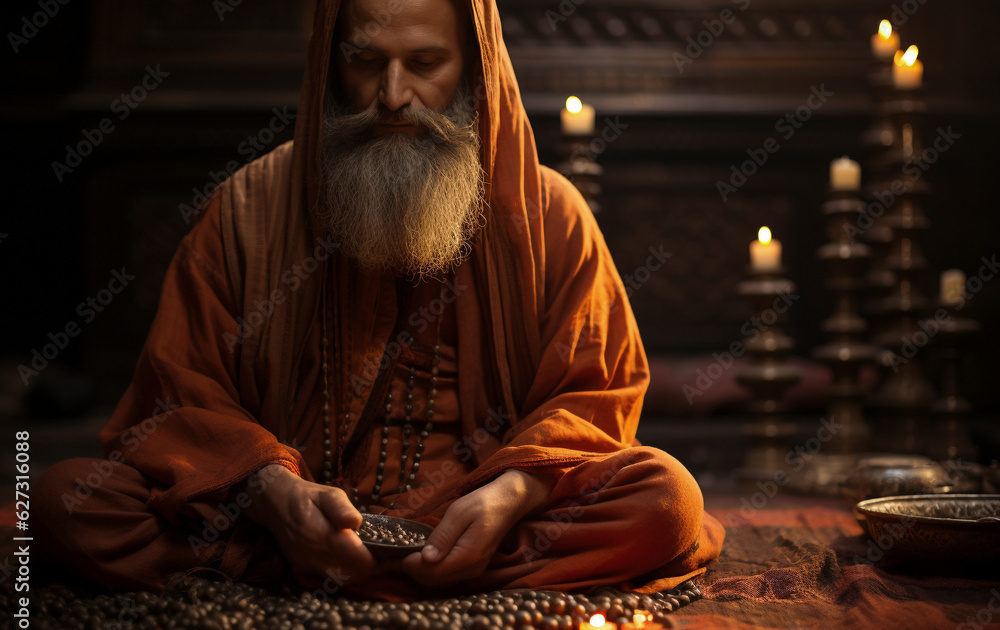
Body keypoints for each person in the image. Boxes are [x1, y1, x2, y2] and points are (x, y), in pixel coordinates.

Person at [33, 0, 724, 597]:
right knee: (60, 499)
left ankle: (344, 574)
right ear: (330, 65)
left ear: (475, 68)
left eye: (425, 62)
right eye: (366, 61)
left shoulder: (549, 212)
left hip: (483, 516)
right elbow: (178, 397)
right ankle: (365, 568)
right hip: (287, 516)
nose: (392, 94)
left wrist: (511, 492)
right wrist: (274, 495)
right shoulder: (247, 208)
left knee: (665, 498)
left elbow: (595, 396)